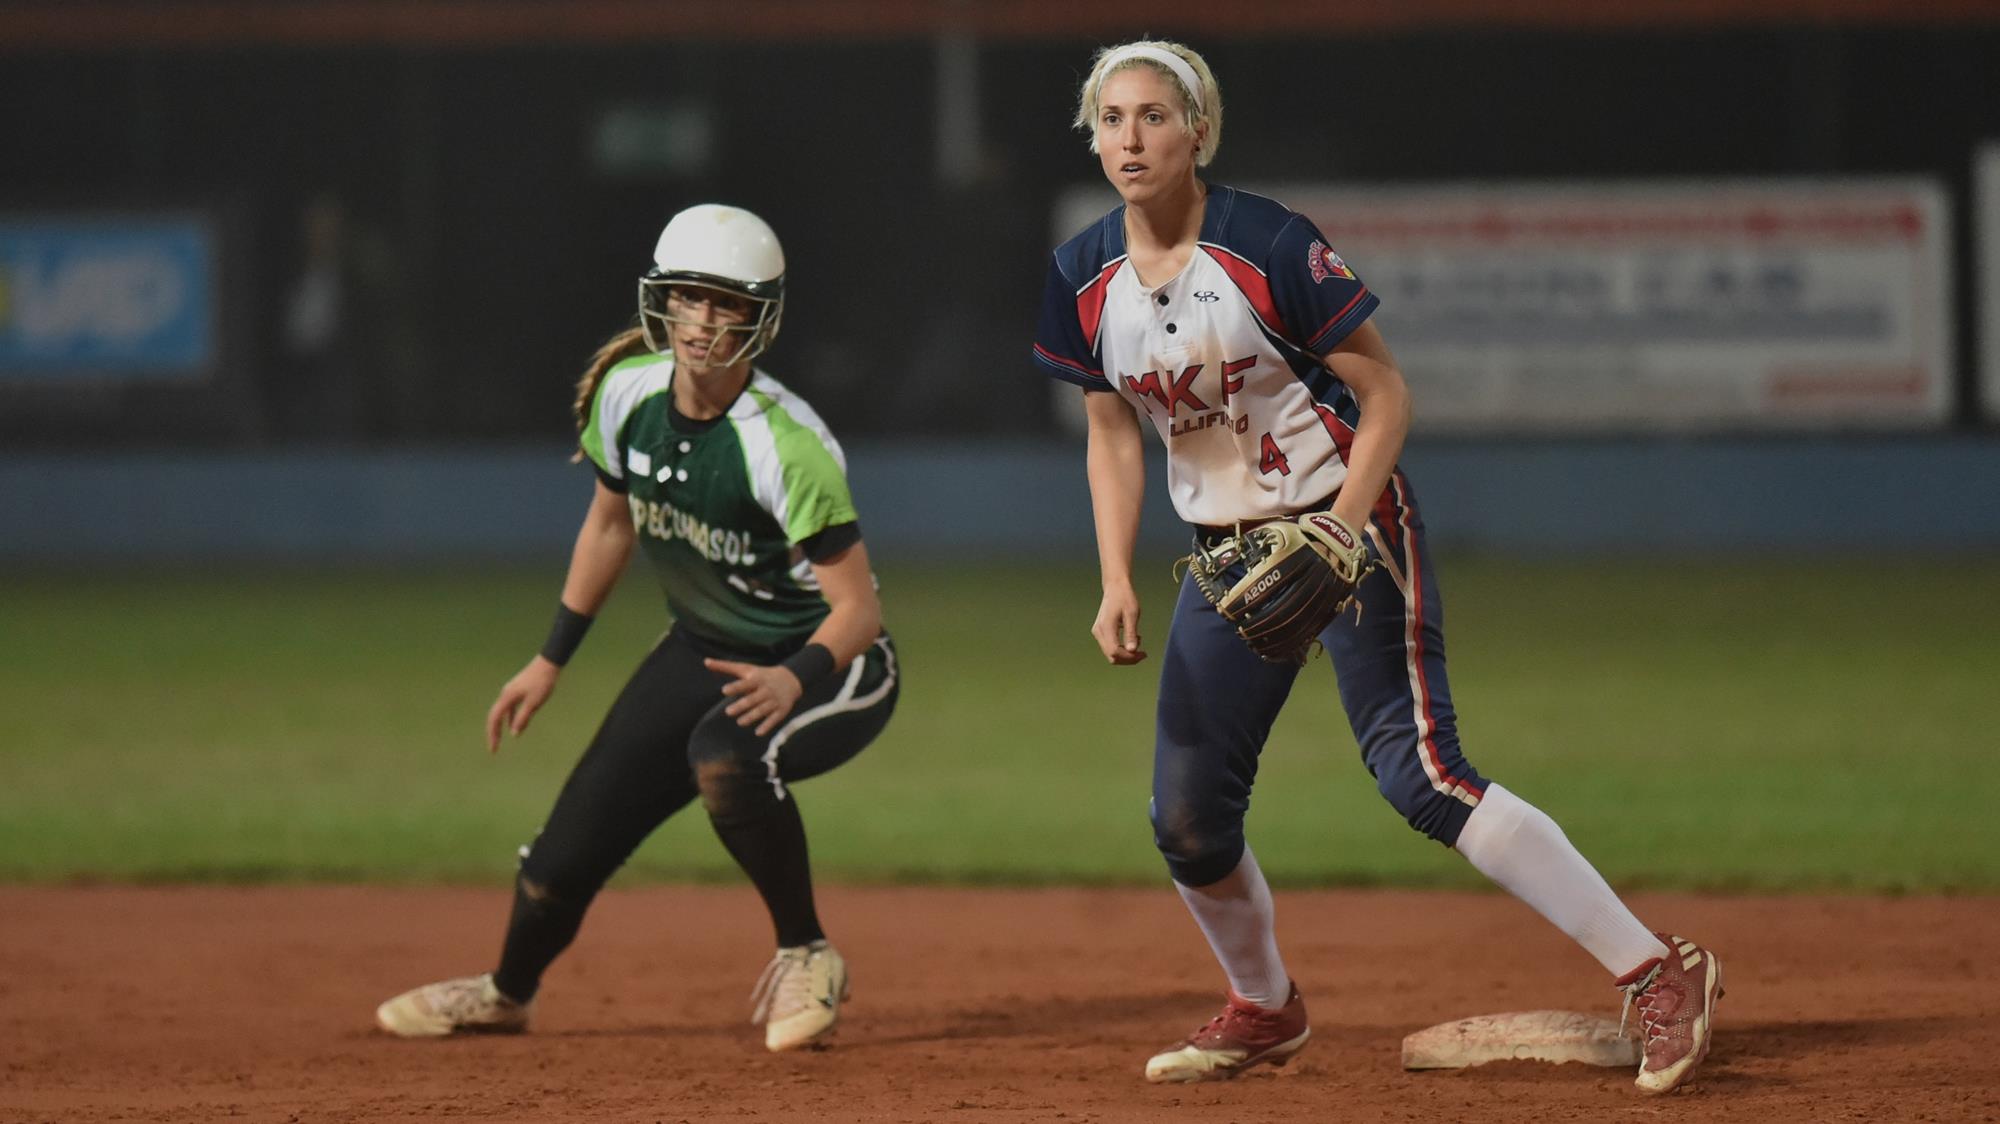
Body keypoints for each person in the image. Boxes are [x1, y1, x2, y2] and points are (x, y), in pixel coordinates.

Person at [1031, 41, 1722, 1094]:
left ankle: (1656, 968)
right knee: (1184, 815)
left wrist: (1346, 526)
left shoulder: (1265, 242)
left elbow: (1386, 396)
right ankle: (1262, 1005)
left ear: (1198, 131)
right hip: (1227, 557)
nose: (1129, 138)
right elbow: (1111, 434)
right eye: (1110, 118)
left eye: (1153, 116)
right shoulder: (1081, 273)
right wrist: (1115, 577)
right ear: (1091, 134)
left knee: (1419, 771)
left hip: (1347, 520)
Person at [375, 203, 900, 1053]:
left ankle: (808, 951)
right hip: (702, 648)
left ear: (760, 316)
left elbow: (859, 611)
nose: (701, 320)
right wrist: (551, 659)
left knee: (727, 756)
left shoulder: (784, 445)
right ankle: (505, 994)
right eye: (688, 296)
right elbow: (610, 526)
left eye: (725, 302)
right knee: (561, 856)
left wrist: (793, 677)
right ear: (660, 300)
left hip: (831, 662)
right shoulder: (628, 394)